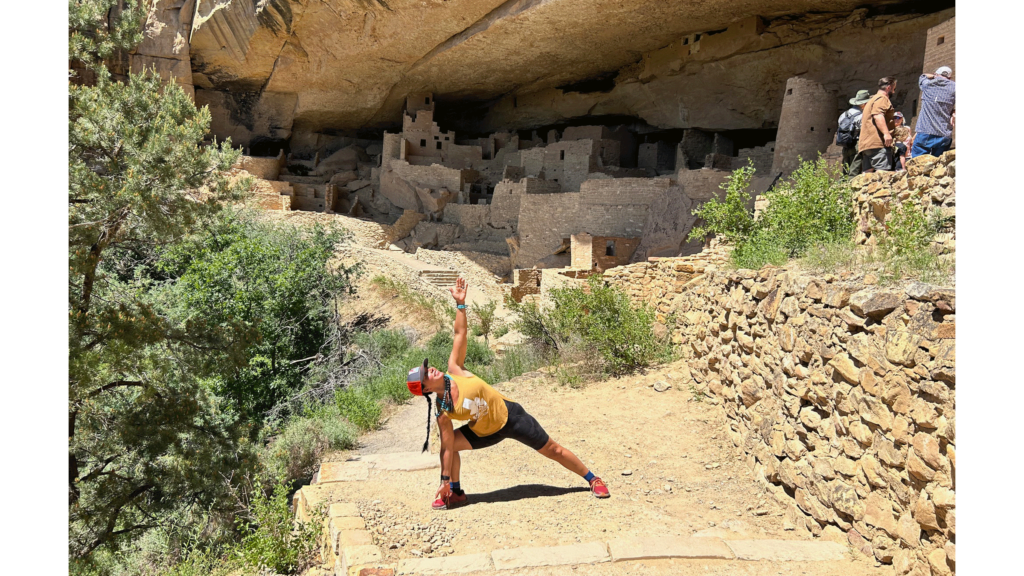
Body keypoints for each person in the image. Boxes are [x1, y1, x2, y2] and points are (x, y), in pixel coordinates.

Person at [406, 277, 610, 510]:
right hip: (483, 433)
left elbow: (459, 334)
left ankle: (593, 479)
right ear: (426, 389)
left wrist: (461, 304)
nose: (430, 369)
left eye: (426, 367)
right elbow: (446, 446)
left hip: (511, 417)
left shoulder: (455, 370)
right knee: (451, 446)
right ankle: (456, 492)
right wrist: (444, 481)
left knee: (553, 449)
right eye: (426, 374)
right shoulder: (443, 412)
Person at [912, 66, 955, 158]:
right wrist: (954, 112)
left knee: (917, 165)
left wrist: (934, 76)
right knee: (938, 166)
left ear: (936, 74)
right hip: (944, 133)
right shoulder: (954, 87)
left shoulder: (927, 85)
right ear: (950, 78)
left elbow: (923, 76)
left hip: (925, 131)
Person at [858, 77, 898, 173]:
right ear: (889, 87)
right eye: (894, 89)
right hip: (878, 143)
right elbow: (878, 115)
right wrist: (886, 133)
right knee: (882, 175)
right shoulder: (882, 99)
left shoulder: (871, 100)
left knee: (867, 177)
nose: (894, 92)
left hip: (867, 144)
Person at [836, 89, 871, 176]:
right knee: (854, 170)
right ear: (864, 104)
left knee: (846, 169)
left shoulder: (844, 114)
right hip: (856, 144)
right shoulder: (861, 115)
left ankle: (842, 187)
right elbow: (864, 129)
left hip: (845, 144)